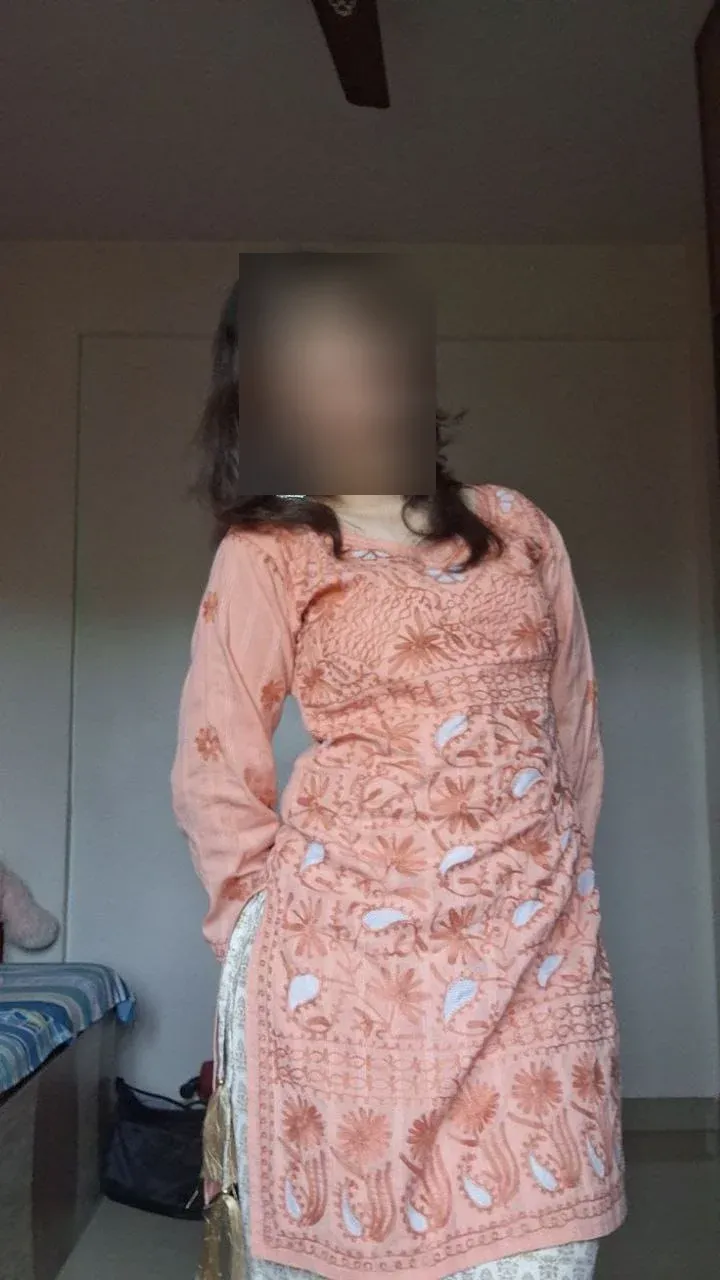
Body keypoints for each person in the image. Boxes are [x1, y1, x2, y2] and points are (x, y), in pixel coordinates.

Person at [172, 254, 626, 1280]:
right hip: (344, 969)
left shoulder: (518, 528)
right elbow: (214, 761)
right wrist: (255, 925)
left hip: (537, 951)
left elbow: (574, 731)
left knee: (541, 1247)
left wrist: (550, 886)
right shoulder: (270, 551)